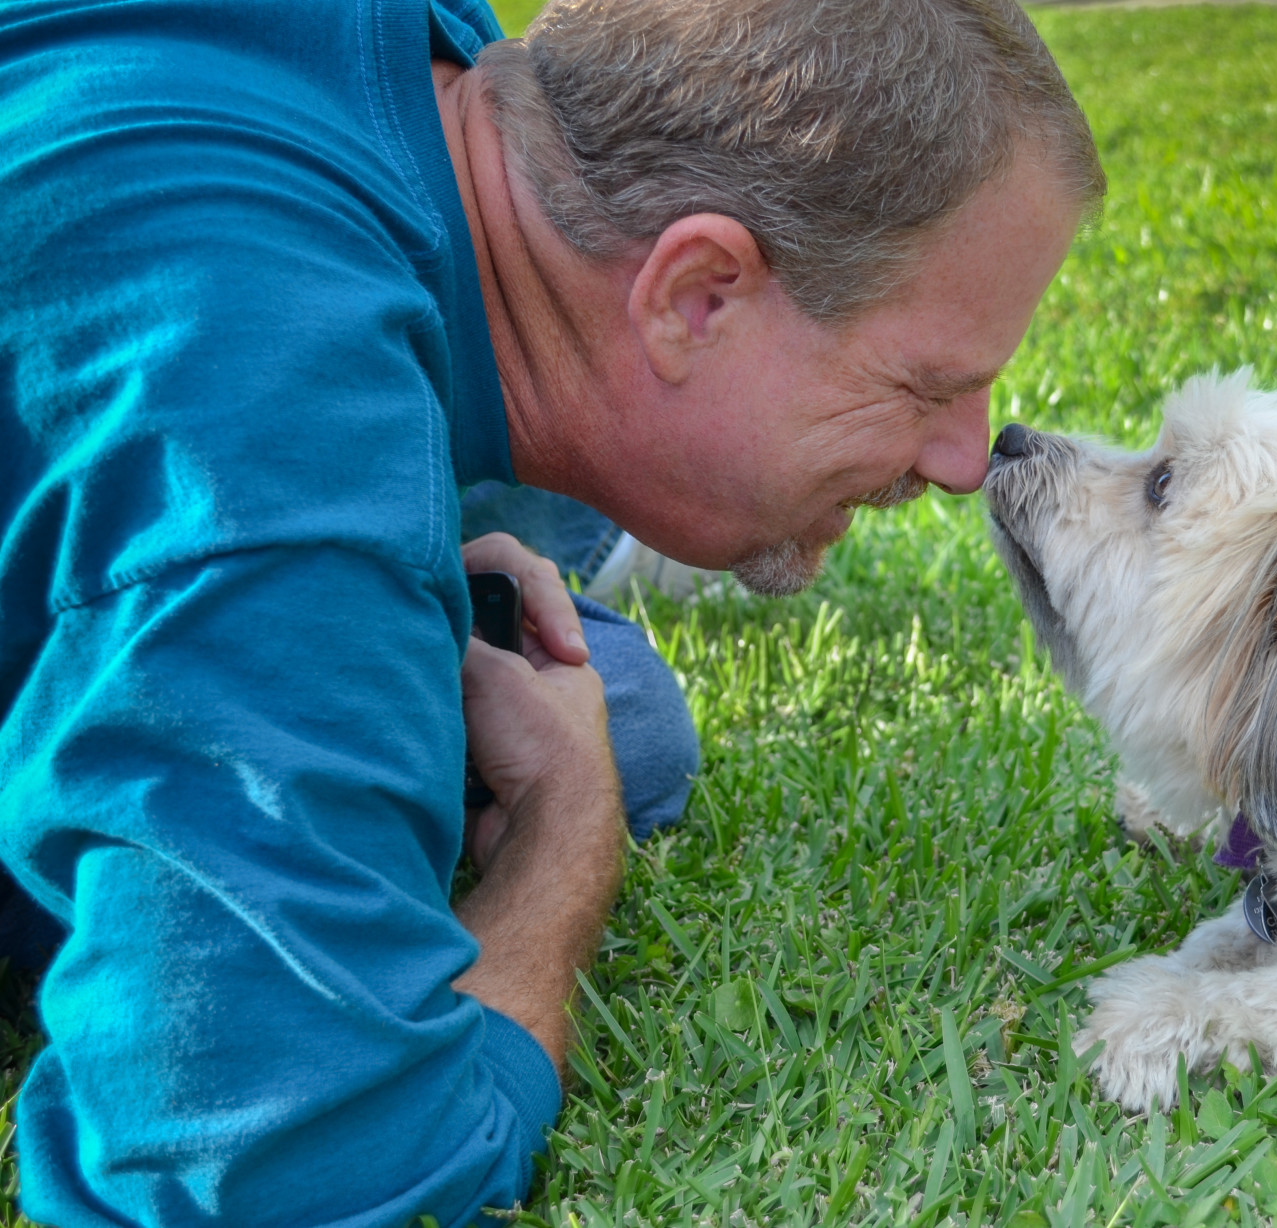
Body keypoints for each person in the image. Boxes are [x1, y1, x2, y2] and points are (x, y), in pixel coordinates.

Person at [0, 0, 1103, 1222]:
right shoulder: (273, 433)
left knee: (613, 709)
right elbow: (287, 1178)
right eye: (927, 383)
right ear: (693, 294)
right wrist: (565, 847)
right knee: (593, 750)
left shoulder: (440, 74)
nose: (964, 461)